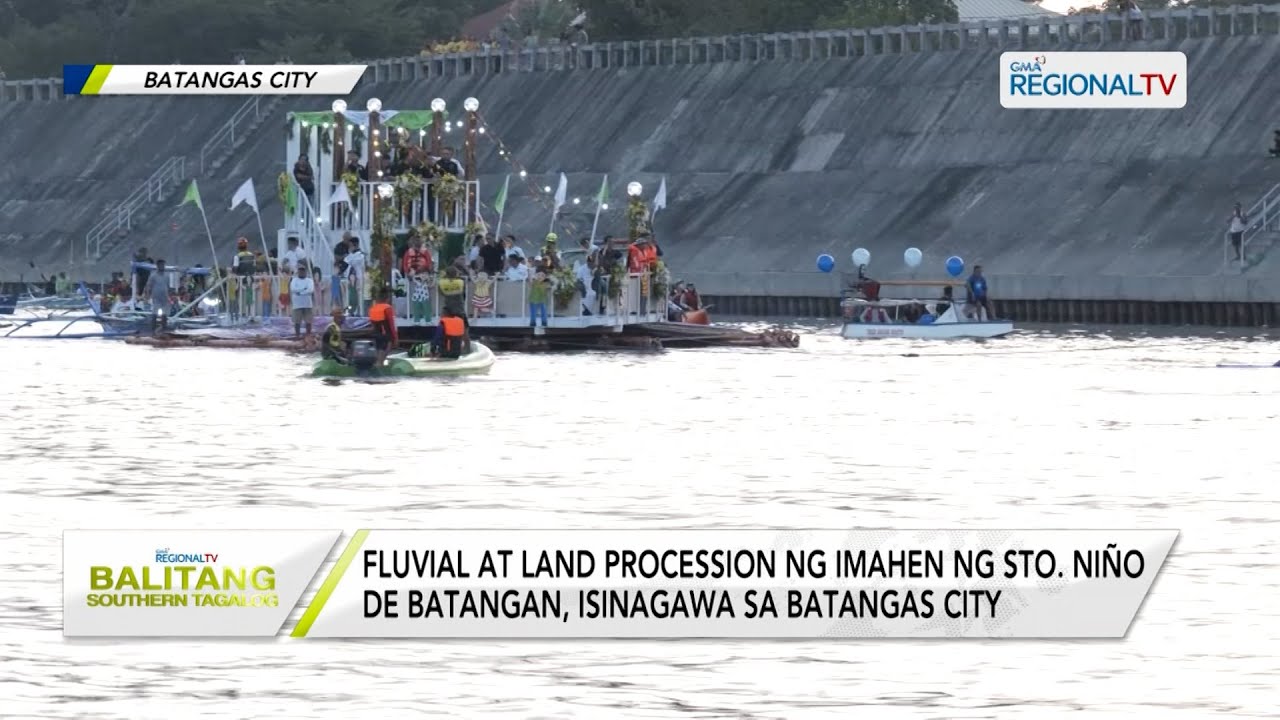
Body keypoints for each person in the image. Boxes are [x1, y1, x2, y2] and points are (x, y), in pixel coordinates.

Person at [368, 288, 398, 366]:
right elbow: (391, 324)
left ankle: (377, 364)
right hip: (386, 334)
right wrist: (395, 337)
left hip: (376, 333)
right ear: (387, 298)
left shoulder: (373, 308)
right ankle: (379, 365)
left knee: (379, 349)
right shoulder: (387, 308)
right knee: (385, 350)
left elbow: (372, 322)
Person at [289, 264, 316, 339]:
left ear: (306, 272)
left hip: (307, 304)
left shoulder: (309, 281)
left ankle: (308, 336)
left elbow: (310, 290)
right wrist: (304, 289)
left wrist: (300, 293)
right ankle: (297, 335)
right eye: (300, 271)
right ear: (298, 272)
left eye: (303, 270)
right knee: (297, 321)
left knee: (308, 321)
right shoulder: (294, 280)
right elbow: (293, 289)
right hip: (297, 305)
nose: (301, 272)